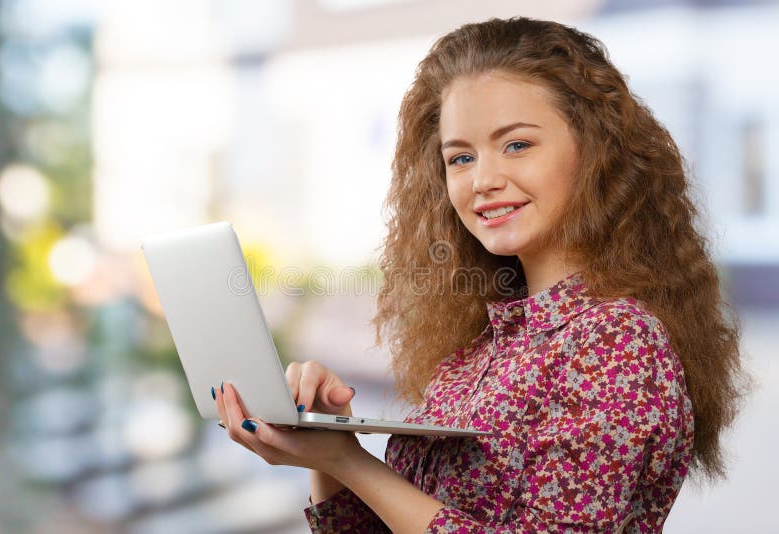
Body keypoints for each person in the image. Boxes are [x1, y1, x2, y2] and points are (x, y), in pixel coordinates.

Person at [212, 16, 753, 533]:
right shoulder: (475, 350)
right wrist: (327, 439)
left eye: (516, 144)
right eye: (460, 158)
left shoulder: (617, 341)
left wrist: (352, 463)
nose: (483, 180)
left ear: (595, 154)